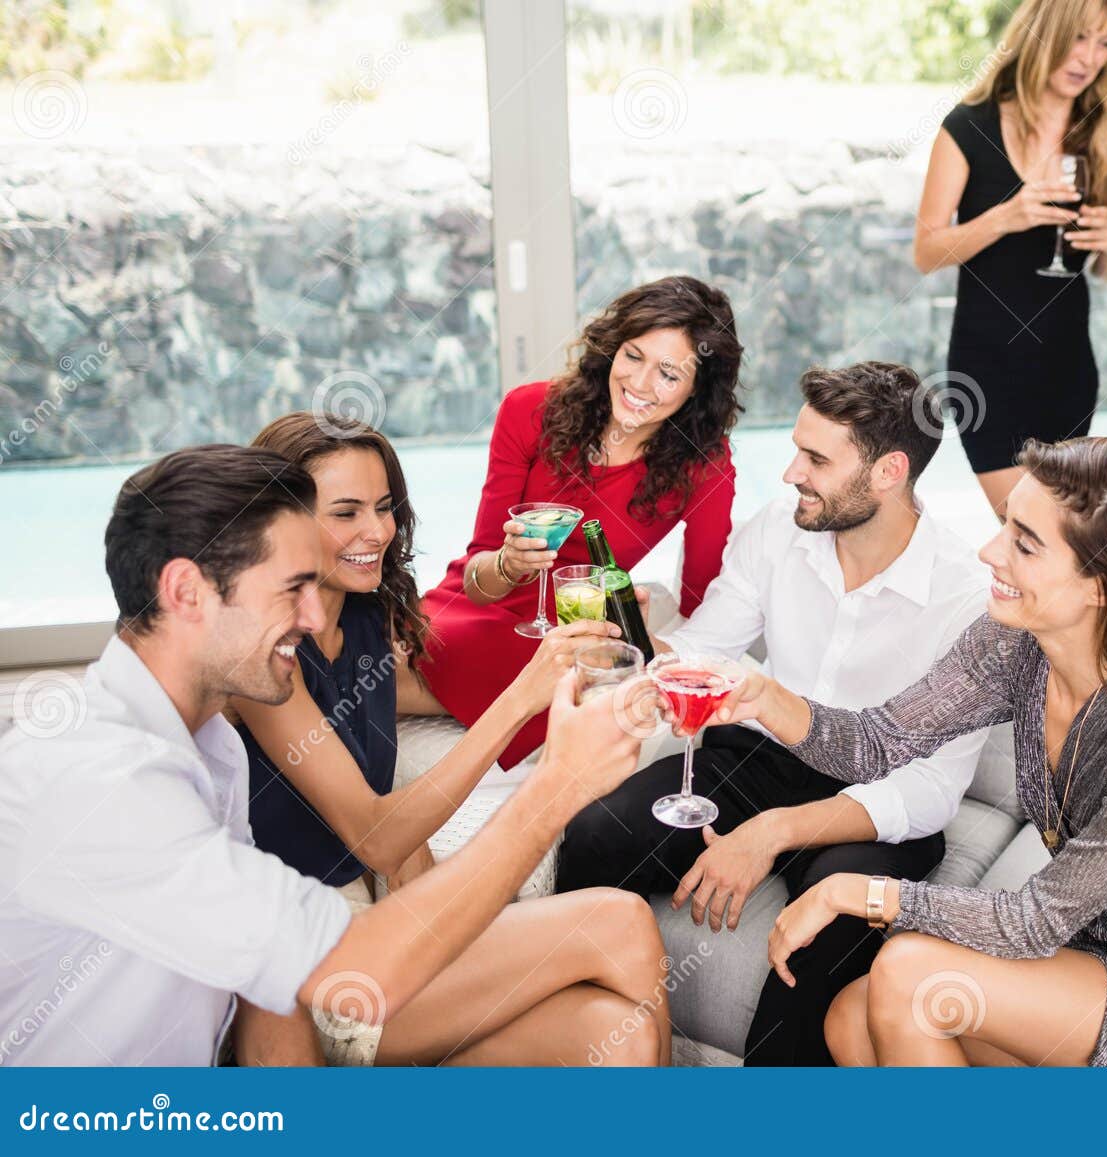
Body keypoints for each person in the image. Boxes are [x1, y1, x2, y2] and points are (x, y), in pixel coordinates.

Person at [0, 445, 660, 1066]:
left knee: (611, 1034)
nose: (316, 616)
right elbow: (361, 968)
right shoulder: (104, 779)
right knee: (617, 927)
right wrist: (557, 786)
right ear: (185, 591)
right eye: (292, 588)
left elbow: (260, 979)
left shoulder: (211, 740)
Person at [713, 438, 1107, 1067]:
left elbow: (1032, 919)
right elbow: (881, 743)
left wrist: (851, 891)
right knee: (850, 1018)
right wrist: (765, 699)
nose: (989, 552)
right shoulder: (1016, 646)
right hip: (1087, 956)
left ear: (1102, 587)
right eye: (1006, 527)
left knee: (910, 976)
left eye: (1024, 544)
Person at [557, 362, 991, 1066]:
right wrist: (638, 645)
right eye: (797, 449)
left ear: (889, 471)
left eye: (816, 458)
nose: (792, 472)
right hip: (756, 758)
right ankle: (584, 1045)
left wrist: (770, 833)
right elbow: (705, 644)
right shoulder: (777, 531)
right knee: (597, 834)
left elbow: (932, 791)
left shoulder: (967, 600)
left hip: (877, 804)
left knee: (825, 938)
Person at [230, 412, 668, 1066]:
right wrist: (522, 694)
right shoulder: (259, 656)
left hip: (386, 935)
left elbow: (404, 837)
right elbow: (376, 833)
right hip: (311, 974)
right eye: (345, 512)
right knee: (621, 921)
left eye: (383, 508)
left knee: (617, 1033)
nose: (376, 531)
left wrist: (607, 658)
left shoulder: (364, 619)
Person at [421, 275, 743, 770]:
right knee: (435, 639)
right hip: (479, 608)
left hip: (578, 624)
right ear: (612, 348)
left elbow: (701, 599)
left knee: (582, 667)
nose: (639, 385)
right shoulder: (529, 410)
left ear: (699, 389)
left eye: (668, 374)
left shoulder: (704, 463)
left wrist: (642, 629)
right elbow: (477, 576)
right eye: (633, 356)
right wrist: (509, 564)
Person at [915, 0, 1107, 517]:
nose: (1089, 58)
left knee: (1060, 535)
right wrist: (1007, 217)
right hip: (986, 369)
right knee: (1028, 525)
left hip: (1067, 366)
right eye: (1079, 38)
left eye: (1105, 44)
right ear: (1044, 34)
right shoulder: (969, 128)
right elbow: (926, 252)